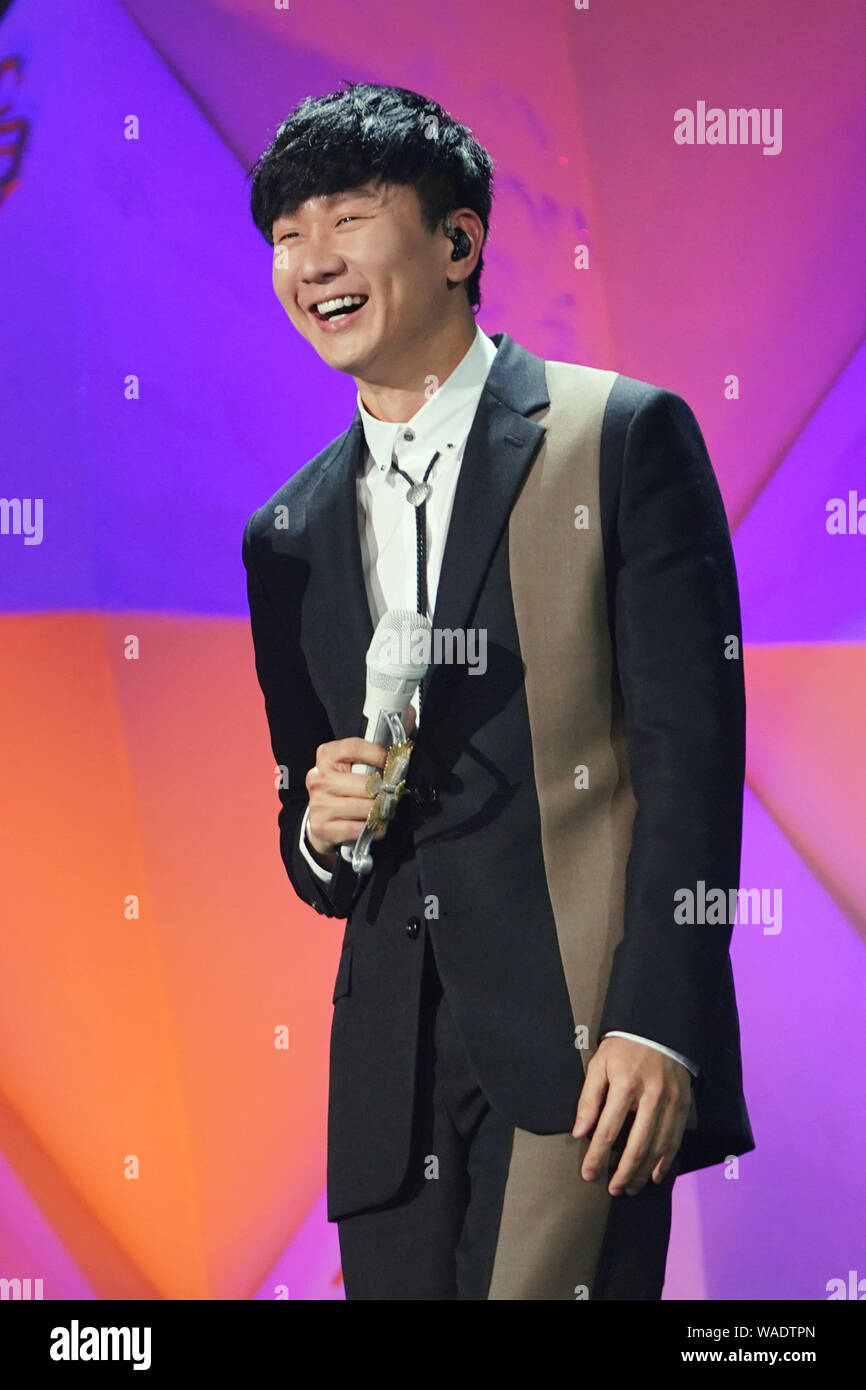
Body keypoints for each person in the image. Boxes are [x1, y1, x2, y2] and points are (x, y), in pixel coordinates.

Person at [242, 81, 754, 1300]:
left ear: (458, 240)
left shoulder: (614, 437)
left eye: (346, 218)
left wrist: (660, 1016)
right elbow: (306, 820)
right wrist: (318, 835)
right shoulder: (286, 533)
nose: (312, 261)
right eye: (284, 236)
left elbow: (692, 754)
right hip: (388, 1081)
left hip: (582, 1050)